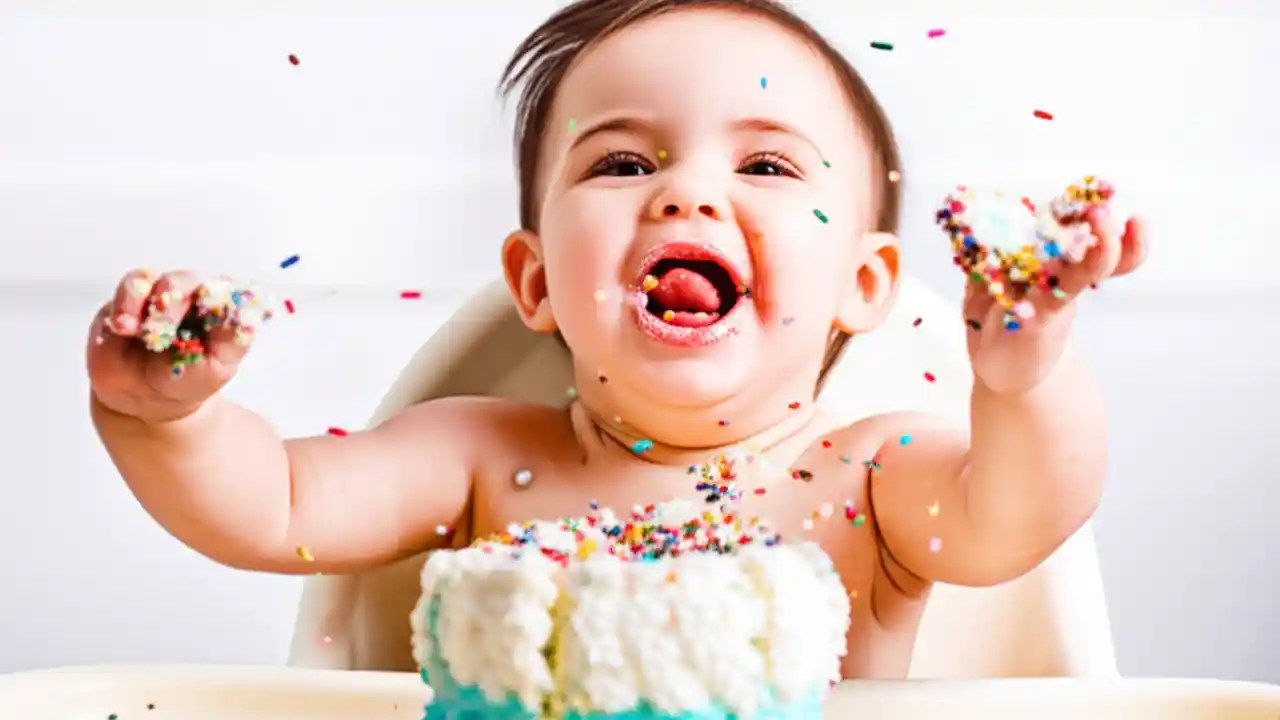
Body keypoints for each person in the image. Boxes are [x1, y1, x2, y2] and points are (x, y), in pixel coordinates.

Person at [86, 0, 1147, 678]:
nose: (685, 192)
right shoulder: (477, 457)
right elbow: (274, 505)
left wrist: (1023, 375)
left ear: (860, 285)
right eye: (622, 165)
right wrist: (167, 417)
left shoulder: (867, 475)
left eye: (766, 168)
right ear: (536, 280)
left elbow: (1023, 511)